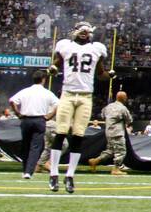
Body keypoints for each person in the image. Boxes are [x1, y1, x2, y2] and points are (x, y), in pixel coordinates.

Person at [48, 21, 110, 194]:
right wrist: (52, 69)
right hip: (68, 94)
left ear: (90, 33)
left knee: (78, 135)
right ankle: (53, 173)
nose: (83, 33)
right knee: (60, 132)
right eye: (80, 30)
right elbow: (55, 64)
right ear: (74, 32)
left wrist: (110, 75)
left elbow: (100, 74)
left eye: (86, 31)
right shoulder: (65, 46)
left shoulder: (96, 48)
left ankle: (70, 175)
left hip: (85, 96)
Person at [8, 73, 58, 180]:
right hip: (40, 119)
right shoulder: (47, 92)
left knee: (25, 145)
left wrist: (18, 113)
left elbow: (12, 101)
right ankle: (29, 171)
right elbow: (58, 104)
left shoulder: (25, 91)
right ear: (43, 80)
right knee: (35, 147)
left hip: (26, 119)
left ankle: (25, 169)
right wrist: (49, 116)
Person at [89, 91, 133, 175]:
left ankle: (95, 161)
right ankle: (116, 169)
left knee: (110, 150)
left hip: (108, 131)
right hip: (117, 132)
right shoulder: (123, 108)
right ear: (124, 98)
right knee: (121, 151)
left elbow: (102, 115)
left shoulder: (108, 106)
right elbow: (129, 120)